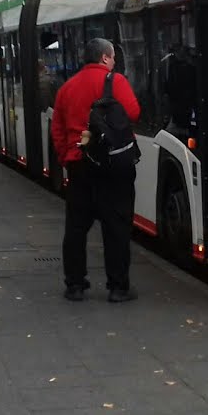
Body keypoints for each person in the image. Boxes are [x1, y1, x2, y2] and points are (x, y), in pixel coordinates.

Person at [49, 38, 141, 303]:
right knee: (117, 227)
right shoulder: (116, 82)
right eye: (112, 57)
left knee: (76, 227)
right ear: (104, 58)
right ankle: (118, 287)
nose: (114, 61)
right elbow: (133, 113)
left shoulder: (67, 88)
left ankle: (75, 285)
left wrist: (67, 158)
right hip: (112, 165)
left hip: (79, 164)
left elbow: (57, 129)